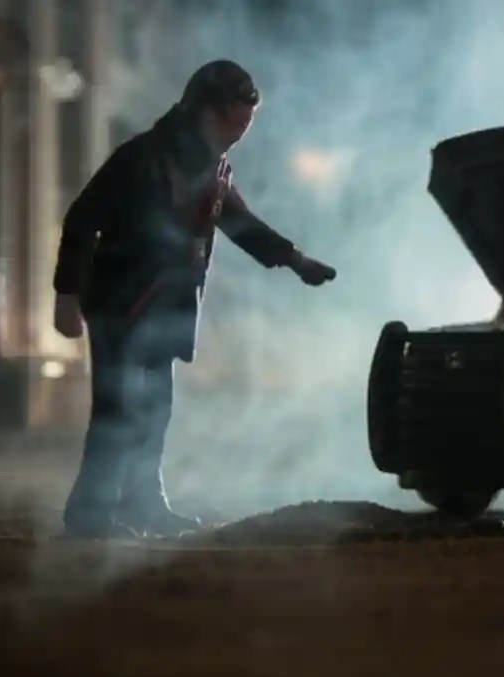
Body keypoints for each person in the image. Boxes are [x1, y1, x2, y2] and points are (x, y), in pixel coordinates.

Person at [51, 59, 336, 539]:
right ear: (206, 111)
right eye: (235, 121)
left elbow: (240, 223)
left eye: (246, 124)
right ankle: (91, 514)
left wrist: (293, 259)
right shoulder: (141, 158)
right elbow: (82, 219)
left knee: (155, 409)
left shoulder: (213, 170)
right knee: (117, 410)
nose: (241, 133)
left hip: (166, 307)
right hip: (123, 303)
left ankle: (142, 504)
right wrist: (66, 293)